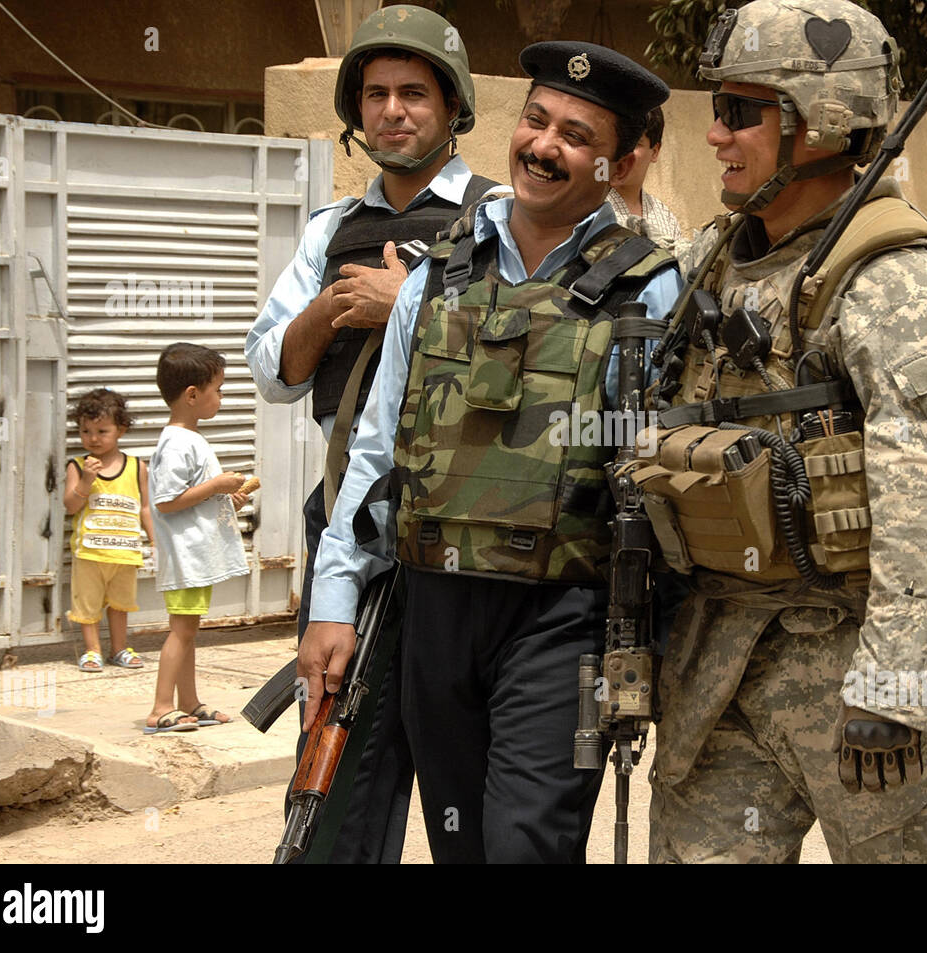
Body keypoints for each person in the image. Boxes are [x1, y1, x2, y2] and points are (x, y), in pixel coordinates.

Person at [639, 0, 927, 863]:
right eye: (717, 109)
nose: (716, 135)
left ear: (820, 124)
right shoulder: (716, 257)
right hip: (718, 674)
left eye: (741, 112)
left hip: (857, 680)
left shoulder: (890, 281)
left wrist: (897, 682)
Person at [302, 41, 681, 863]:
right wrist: (334, 597)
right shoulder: (438, 278)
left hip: (564, 617)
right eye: (536, 121)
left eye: (576, 136)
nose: (543, 146)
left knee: (524, 846)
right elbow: (377, 451)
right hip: (433, 603)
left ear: (616, 165)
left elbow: (660, 476)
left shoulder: (649, 289)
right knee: (460, 843)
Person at [245, 4, 499, 861]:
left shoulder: (502, 221)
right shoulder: (328, 233)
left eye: (414, 93)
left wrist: (413, 310)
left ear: (453, 106)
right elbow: (274, 372)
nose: (393, 111)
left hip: (472, 529)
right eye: (377, 95)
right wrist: (328, 307)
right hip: (350, 520)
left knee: (474, 790)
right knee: (337, 773)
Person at [145, 344, 252, 734]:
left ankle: (188, 702)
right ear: (193, 395)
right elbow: (168, 502)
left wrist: (227, 499)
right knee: (182, 631)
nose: (221, 398)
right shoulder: (176, 443)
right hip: (186, 556)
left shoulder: (190, 439)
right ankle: (160, 708)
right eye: (218, 390)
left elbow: (193, 501)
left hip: (196, 555)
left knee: (189, 630)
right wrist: (217, 485)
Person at [63, 388, 154, 673]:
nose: (93, 438)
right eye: (86, 431)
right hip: (89, 552)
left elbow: (145, 507)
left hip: (125, 552)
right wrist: (87, 480)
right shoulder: (77, 467)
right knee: (87, 606)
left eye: (102, 431)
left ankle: (119, 648)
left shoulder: (136, 467)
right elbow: (71, 506)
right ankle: (92, 651)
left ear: (121, 430)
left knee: (121, 604)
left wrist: (155, 540)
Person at [607, 105, 686, 255]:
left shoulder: (666, 217)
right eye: (617, 140)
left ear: (655, 152)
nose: (623, 153)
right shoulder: (586, 207)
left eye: (634, 143)